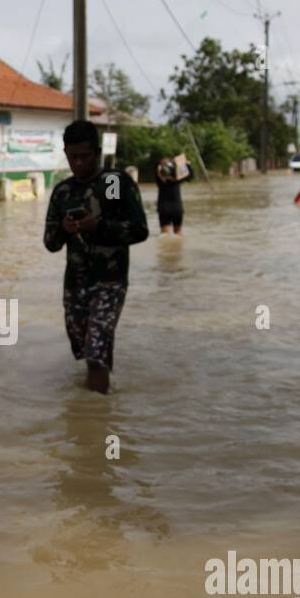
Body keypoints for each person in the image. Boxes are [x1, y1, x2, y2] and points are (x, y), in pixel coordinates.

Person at [44, 120, 149, 394]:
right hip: (75, 285)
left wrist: (99, 226)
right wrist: (64, 230)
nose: (78, 163)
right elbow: (50, 244)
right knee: (82, 348)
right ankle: (92, 402)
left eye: (85, 156)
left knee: (96, 352)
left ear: (98, 152)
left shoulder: (114, 183)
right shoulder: (63, 192)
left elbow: (139, 231)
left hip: (110, 282)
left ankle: (96, 420)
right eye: (72, 157)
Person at [155, 153, 195, 235]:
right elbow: (191, 176)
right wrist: (185, 164)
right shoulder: (178, 180)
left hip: (164, 208)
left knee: (165, 234)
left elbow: (157, 170)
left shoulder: (160, 180)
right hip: (177, 208)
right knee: (178, 232)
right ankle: (179, 248)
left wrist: (161, 163)